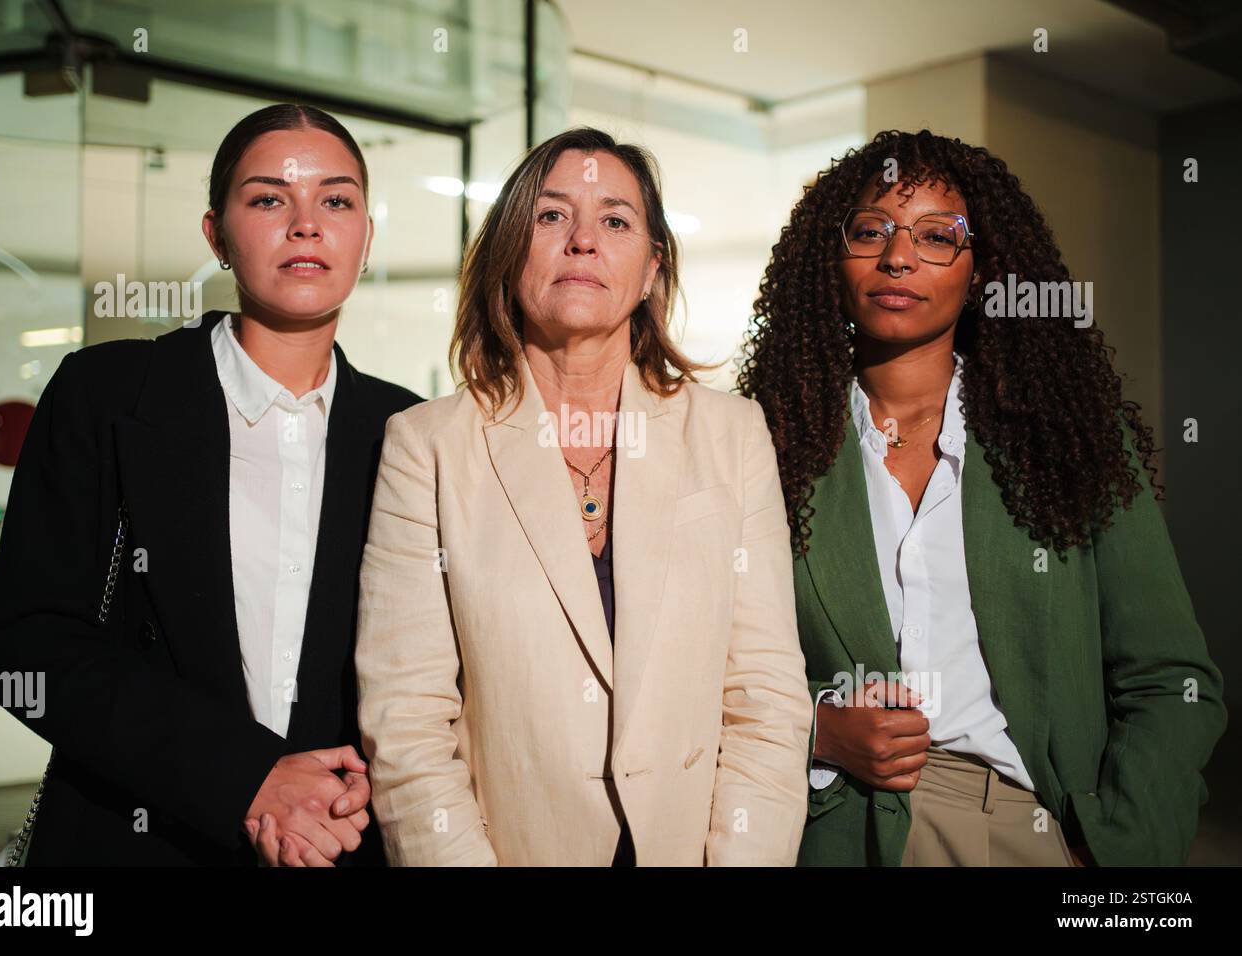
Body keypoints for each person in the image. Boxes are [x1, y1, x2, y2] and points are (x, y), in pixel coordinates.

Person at [738, 128, 1226, 867]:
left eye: (939, 237)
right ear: (830, 262)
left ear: (982, 270)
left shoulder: (1068, 444)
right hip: (831, 827)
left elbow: (1170, 680)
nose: (898, 256)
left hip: (1025, 829)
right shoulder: (763, 448)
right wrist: (818, 727)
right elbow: (708, 663)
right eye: (872, 231)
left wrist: (1120, 849)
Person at [0, 103, 420, 866]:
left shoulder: (409, 431)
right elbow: (25, 653)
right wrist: (245, 779)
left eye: (336, 200)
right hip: (136, 841)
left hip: (342, 843)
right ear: (216, 234)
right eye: (269, 198)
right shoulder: (110, 393)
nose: (306, 224)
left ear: (366, 237)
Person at [355, 127, 813, 866]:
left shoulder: (731, 434)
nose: (582, 242)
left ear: (652, 268)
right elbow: (407, 722)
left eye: (616, 220)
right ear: (509, 255)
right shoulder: (425, 447)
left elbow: (765, 700)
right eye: (550, 216)